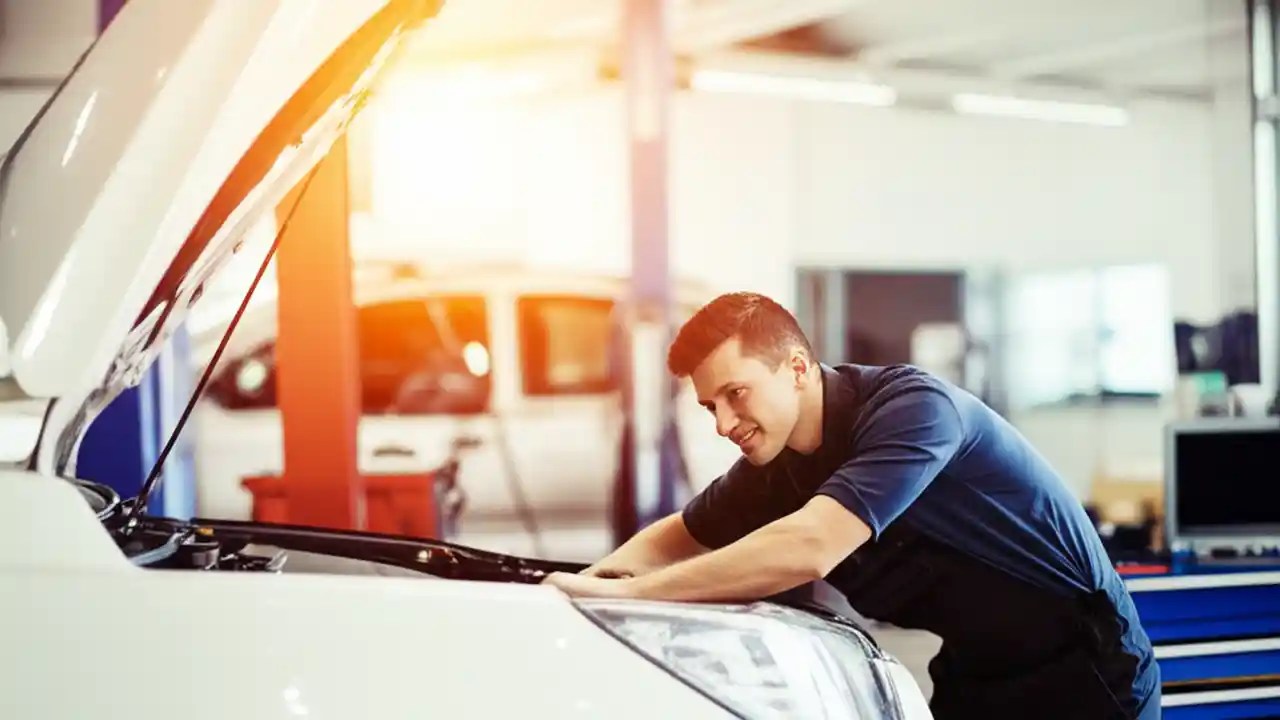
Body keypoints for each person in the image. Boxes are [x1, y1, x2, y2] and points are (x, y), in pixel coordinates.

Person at [543, 291, 1160, 719]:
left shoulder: (914, 411)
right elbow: (677, 536)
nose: (724, 424)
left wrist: (634, 596)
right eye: (710, 407)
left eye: (736, 394)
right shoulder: (773, 467)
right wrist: (583, 587)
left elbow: (810, 546)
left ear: (796, 368)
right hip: (978, 670)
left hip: (1083, 671)